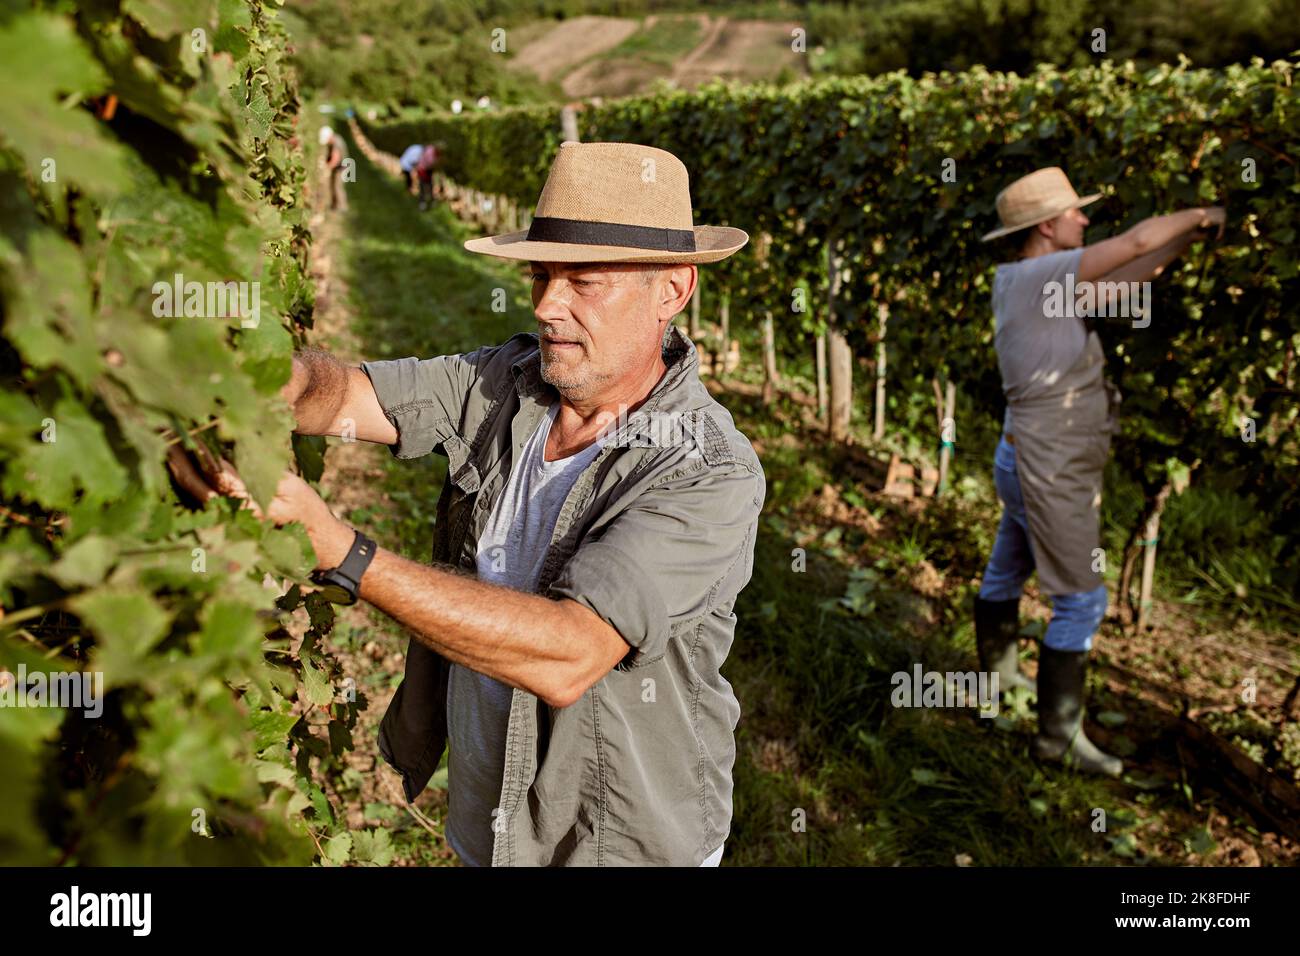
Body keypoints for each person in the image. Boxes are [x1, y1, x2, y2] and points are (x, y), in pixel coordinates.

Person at [166, 141, 761, 867]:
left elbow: (569, 652)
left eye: (586, 282)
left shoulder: (706, 469)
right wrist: (260, 382)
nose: (547, 305)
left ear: (671, 290)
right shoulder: (506, 382)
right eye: (541, 274)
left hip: (611, 847)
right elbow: (350, 395)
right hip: (492, 825)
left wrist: (346, 554)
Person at [973, 166, 1224, 777]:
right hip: (1048, 461)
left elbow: (1136, 274)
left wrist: (1185, 242)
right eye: (1077, 213)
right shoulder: (1042, 274)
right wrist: (1203, 214)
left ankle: (999, 684)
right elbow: (1135, 243)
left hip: (1026, 452)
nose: (1086, 220)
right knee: (1083, 601)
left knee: (1009, 563)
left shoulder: (1032, 280)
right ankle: (1057, 740)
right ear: (1048, 226)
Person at [318, 125, 349, 211]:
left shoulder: (336, 143)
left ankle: (342, 207)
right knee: (333, 184)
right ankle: (335, 205)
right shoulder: (335, 140)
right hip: (340, 166)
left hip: (342, 167)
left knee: (337, 186)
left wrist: (327, 167)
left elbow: (335, 159)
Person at [415, 142, 439, 210]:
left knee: (428, 185)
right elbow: (430, 163)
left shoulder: (430, 149)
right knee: (423, 185)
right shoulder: (431, 152)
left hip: (424, 169)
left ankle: (427, 202)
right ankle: (423, 203)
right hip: (423, 170)